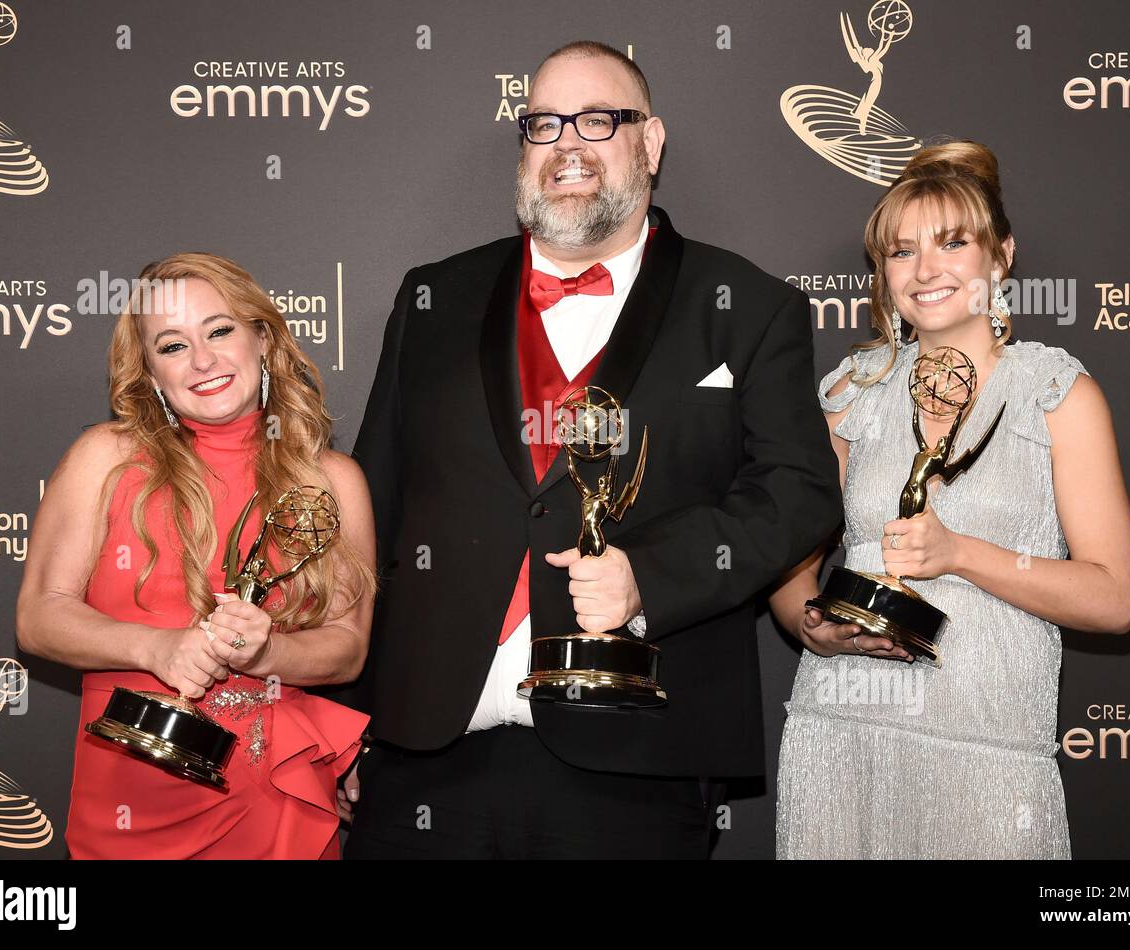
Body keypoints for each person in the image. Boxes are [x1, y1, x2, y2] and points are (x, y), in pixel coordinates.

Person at [337, 40, 841, 859]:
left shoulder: (747, 306)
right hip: (424, 757)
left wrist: (654, 573)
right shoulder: (433, 297)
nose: (567, 143)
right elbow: (372, 514)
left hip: (635, 762)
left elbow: (800, 492)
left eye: (598, 120)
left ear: (651, 143)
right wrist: (344, 717)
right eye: (543, 124)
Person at [770, 141, 1130, 859]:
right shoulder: (855, 393)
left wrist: (960, 554)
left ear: (1000, 256)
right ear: (880, 273)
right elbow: (792, 563)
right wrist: (808, 624)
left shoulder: (1056, 395)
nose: (926, 269)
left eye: (952, 242)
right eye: (900, 251)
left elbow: (1114, 599)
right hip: (842, 739)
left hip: (989, 754)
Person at [16, 252, 376, 859]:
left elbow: (347, 648)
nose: (203, 361)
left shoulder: (332, 482)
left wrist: (268, 651)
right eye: (173, 345)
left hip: (272, 794)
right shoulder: (106, 458)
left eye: (219, 330)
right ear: (151, 372)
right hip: (134, 791)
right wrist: (152, 647)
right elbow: (40, 617)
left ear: (261, 337)